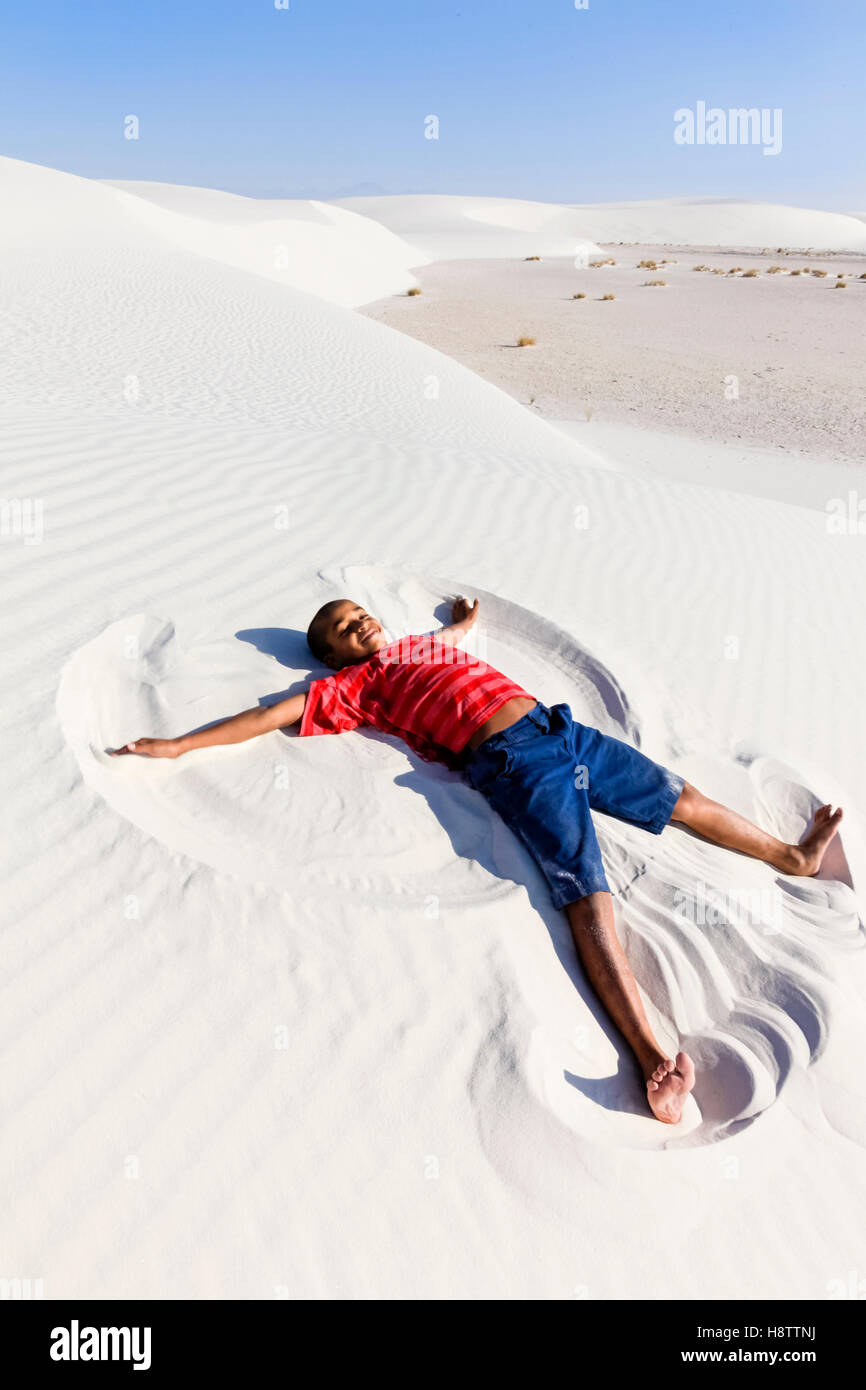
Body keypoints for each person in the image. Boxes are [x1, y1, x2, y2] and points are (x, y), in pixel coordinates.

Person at [112, 597, 843, 1124]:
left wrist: (461, 622)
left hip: (564, 732)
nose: (359, 623)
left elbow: (456, 632)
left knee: (682, 800)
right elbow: (268, 716)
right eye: (342, 628)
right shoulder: (354, 687)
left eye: (360, 613)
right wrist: (178, 746)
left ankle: (791, 854)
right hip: (515, 765)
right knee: (588, 896)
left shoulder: (421, 650)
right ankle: (653, 1057)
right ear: (332, 656)